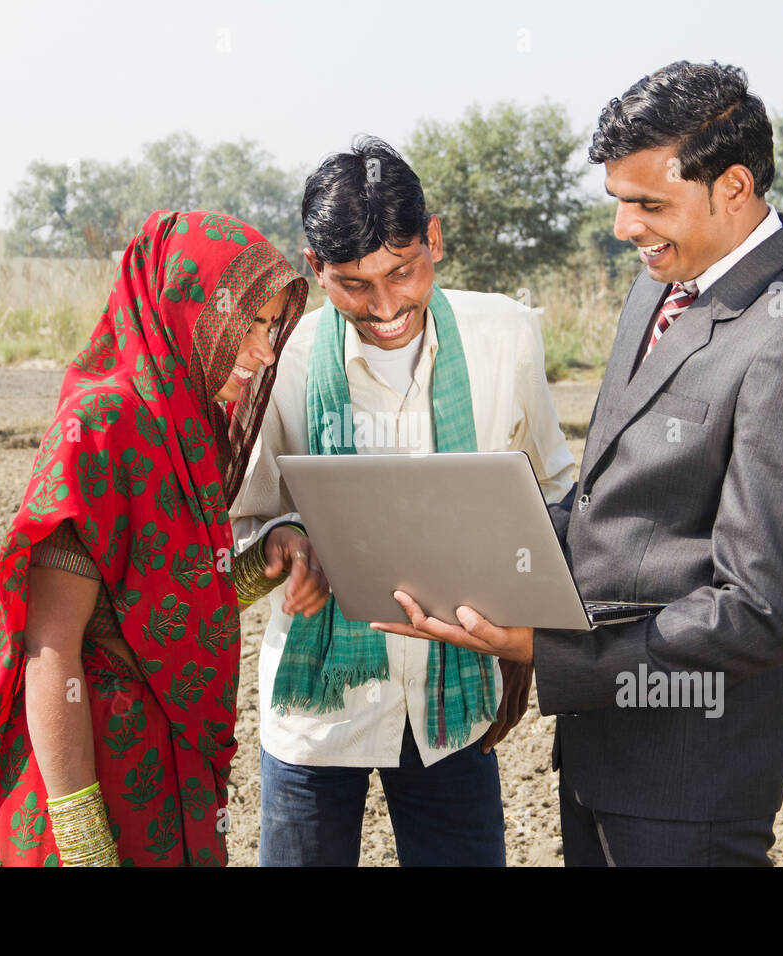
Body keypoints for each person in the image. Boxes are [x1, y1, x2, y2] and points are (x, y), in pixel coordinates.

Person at [372, 62, 783, 866]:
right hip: (599, 760)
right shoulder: (657, 290)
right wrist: (469, 545)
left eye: (648, 203)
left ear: (735, 188)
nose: (623, 226)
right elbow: (610, 505)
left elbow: (757, 612)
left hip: (690, 787)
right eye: (618, 200)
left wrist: (549, 653)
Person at [229, 136, 575, 867]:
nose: (386, 306)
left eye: (403, 271)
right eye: (354, 285)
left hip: (455, 704)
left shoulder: (504, 336)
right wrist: (284, 545)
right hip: (318, 711)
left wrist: (525, 633)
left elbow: (555, 496)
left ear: (435, 240)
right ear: (315, 269)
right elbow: (242, 525)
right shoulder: (280, 357)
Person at [0, 209, 319, 867]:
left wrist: (256, 568)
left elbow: (157, 603)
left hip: (163, 783)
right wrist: (85, 840)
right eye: (249, 326)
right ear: (187, 312)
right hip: (94, 783)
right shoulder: (102, 425)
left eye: (272, 328)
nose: (265, 351)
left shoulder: (192, 427)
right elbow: (51, 646)